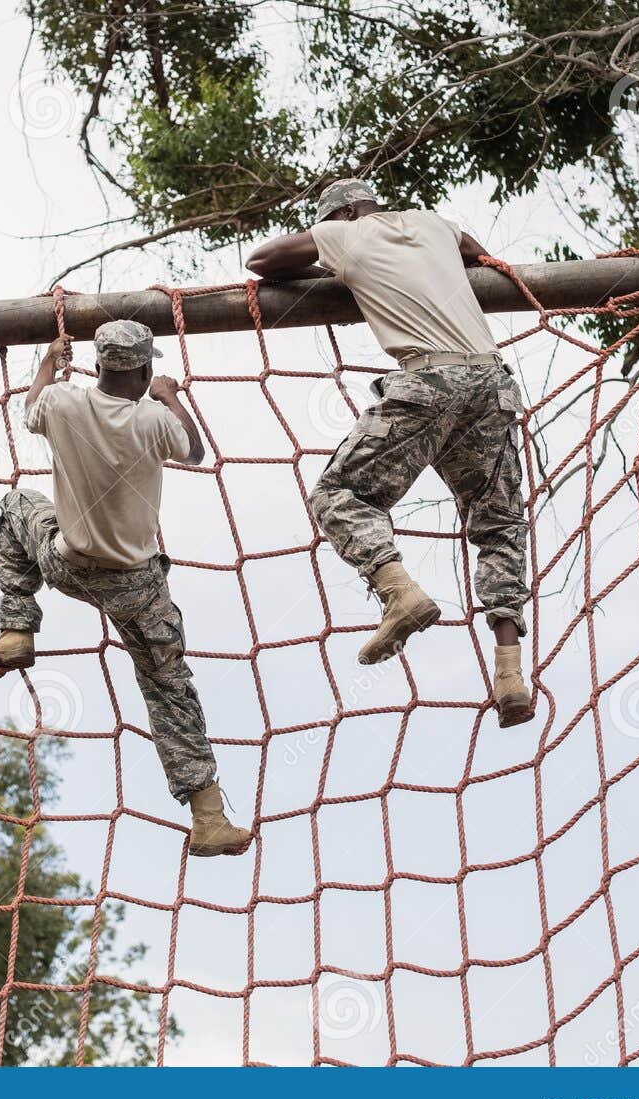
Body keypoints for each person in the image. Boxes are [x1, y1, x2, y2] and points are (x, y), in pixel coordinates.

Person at [245, 177, 533, 727]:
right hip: (493, 385)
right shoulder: (430, 221)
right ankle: (509, 675)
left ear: (344, 213)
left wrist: (331, 257)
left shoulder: (347, 233)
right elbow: (475, 248)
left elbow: (263, 260)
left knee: (337, 492)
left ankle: (397, 590)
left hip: (429, 383)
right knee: (498, 525)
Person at [0, 321, 253, 854]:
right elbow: (194, 452)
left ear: (98, 367)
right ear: (144, 370)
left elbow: (30, 407)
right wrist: (169, 397)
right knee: (169, 687)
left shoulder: (62, 403)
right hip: (138, 586)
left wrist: (52, 362)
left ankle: (15, 630)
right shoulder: (152, 418)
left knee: (15, 507)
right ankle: (208, 817)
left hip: (69, 565)